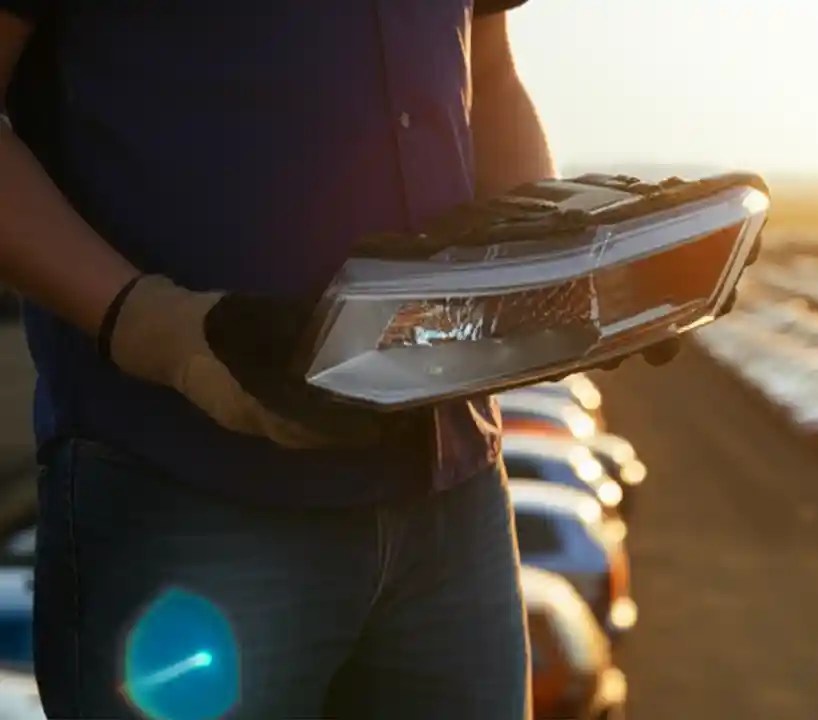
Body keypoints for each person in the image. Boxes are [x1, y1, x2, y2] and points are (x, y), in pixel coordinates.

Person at [0, 1, 675, 717]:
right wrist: (154, 328)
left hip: (454, 498)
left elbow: (490, 71)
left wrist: (559, 274)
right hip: (185, 497)